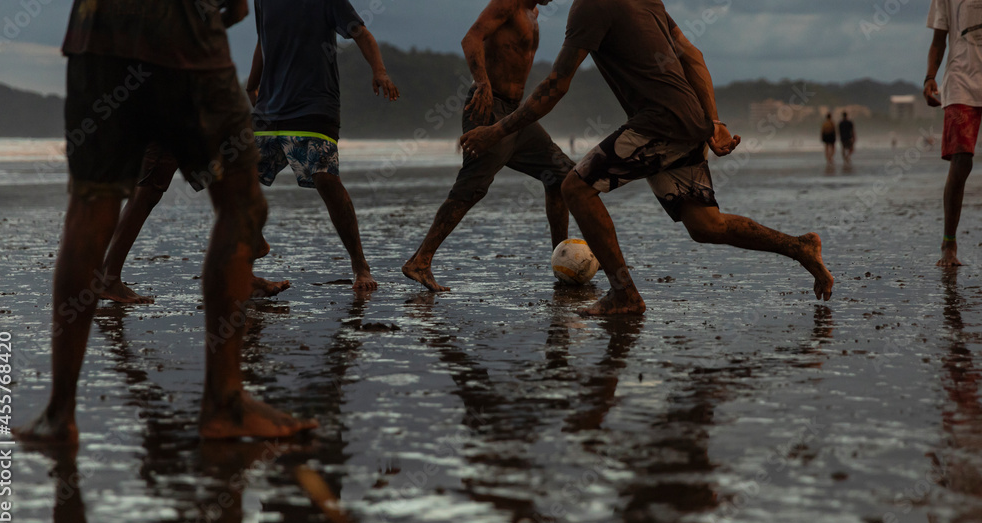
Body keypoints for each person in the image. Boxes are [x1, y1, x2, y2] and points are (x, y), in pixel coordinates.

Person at [15, 0, 318, 444]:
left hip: (97, 35)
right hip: (186, 36)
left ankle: (61, 413)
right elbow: (233, 8)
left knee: (90, 207)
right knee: (242, 205)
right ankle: (223, 403)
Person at [461, 0, 833, 315]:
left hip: (660, 123)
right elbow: (694, 55)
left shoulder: (589, 6)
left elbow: (555, 85)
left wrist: (496, 130)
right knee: (706, 226)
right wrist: (712, 119)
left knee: (575, 188)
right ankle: (799, 247)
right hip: (689, 120)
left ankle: (624, 294)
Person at [402, 0, 573, 292]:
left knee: (562, 175)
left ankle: (562, 259)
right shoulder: (508, 3)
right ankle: (420, 261)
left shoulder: (533, 13)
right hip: (488, 107)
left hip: (517, 115)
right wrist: (482, 82)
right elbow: (471, 37)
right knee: (471, 188)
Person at [247, 0, 399, 291]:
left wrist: (379, 71)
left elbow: (361, 33)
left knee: (326, 181)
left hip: (314, 107)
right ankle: (250, 264)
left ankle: (360, 266)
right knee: (238, 179)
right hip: (268, 109)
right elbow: (263, 39)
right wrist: (251, 83)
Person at [100, 143, 290, 303]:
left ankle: (244, 275)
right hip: (177, 106)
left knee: (226, 171)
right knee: (151, 188)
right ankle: (109, 278)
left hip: (185, 106)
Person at [925, 0, 981, 267]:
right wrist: (929, 77)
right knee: (961, 162)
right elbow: (939, 39)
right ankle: (949, 243)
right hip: (961, 82)